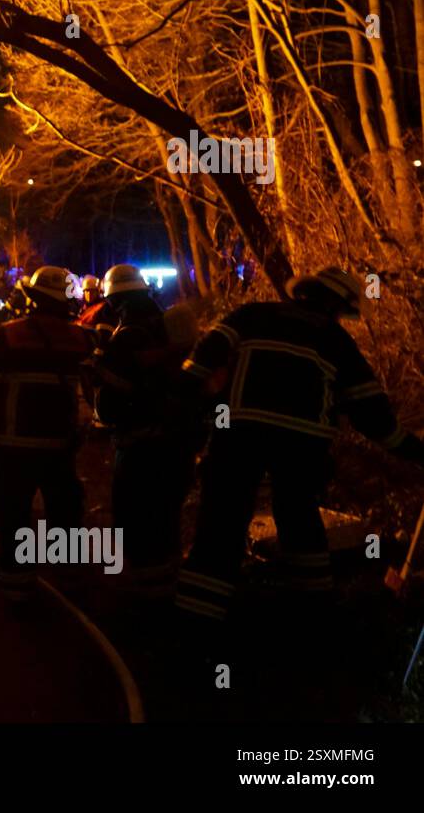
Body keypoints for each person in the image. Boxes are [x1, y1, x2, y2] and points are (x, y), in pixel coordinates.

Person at [175, 267, 424, 623]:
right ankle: (310, 615)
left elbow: (202, 359)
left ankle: (196, 619)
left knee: (222, 522)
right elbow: (374, 417)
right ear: (337, 305)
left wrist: (190, 407)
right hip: (301, 448)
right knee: (300, 521)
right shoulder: (336, 340)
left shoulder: (250, 315)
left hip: (238, 437)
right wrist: (415, 451)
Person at [0, 266, 92, 602]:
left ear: (33, 299)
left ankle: (17, 586)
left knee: (15, 514)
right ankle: (70, 578)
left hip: (12, 447)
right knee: (64, 512)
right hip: (60, 447)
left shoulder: (9, 336)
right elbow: (91, 394)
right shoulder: (80, 339)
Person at [91, 264, 199, 600]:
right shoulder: (173, 328)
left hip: (140, 448)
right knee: (166, 515)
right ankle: (170, 587)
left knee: (136, 519)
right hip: (178, 444)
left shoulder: (125, 338)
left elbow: (109, 403)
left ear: (114, 300)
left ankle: (147, 598)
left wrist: (98, 368)